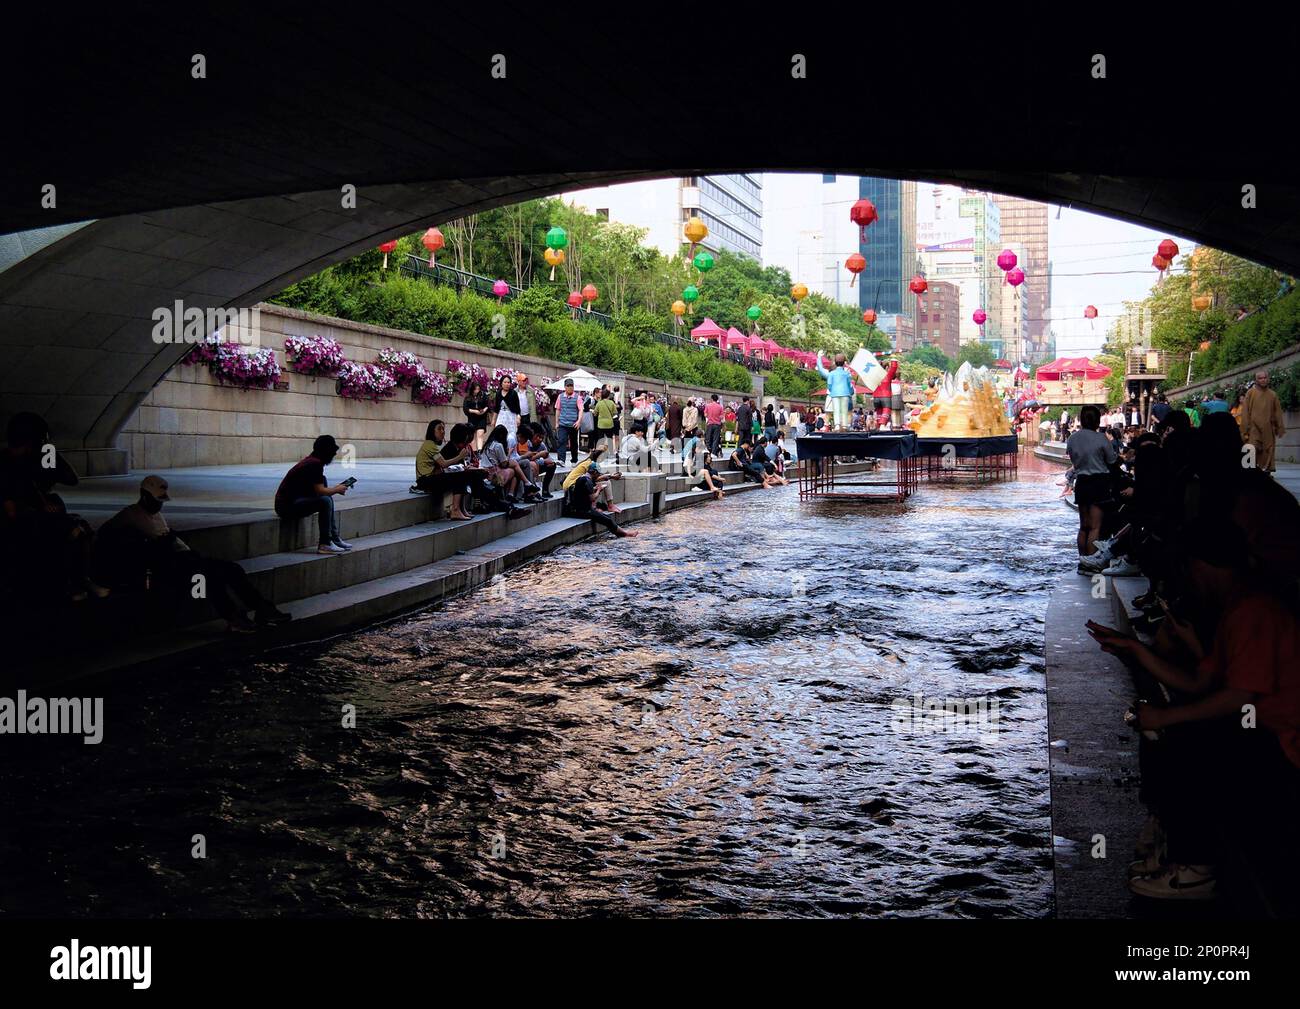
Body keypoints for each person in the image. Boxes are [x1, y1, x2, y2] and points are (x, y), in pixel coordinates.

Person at [97, 476, 292, 633]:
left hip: (181, 558)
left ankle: (262, 609)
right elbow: (107, 536)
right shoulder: (130, 515)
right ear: (144, 496)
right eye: (156, 500)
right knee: (208, 577)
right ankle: (234, 617)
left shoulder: (155, 514)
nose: (159, 505)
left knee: (232, 569)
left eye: (161, 501)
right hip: (165, 566)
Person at [0, 411, 109, 602]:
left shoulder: (34, 459)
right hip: (18, 524)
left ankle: (80, 579)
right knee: (68, 530)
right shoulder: (5, 464)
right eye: (41, 441)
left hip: (36, 518)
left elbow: (70, 479)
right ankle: (70, 582)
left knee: (79, 528)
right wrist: (44, 515)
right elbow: (12, 511)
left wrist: (50, 455)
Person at [274, 435, 353, 554]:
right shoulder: (314, 464)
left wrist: (336, 489)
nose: (334, 455)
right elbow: (321, 491)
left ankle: (334, 538)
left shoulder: (313, 461)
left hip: (294, 501)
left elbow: (320, 489)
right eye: (333, 452)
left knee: (325, 488)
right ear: (326, 451)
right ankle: (325, 544)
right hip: (286, 507)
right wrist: (337, 489)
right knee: (325, 500)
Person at [1066, 405, 1117, 567]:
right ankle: (1091, 560)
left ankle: (1082, 559)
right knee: (1095, 527)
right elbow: (1112, 460)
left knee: (1083, 526)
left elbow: (1073, 459)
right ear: (1096, 420)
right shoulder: (1101, 438)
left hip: (1082, 482)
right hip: (1099, 482)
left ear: (1081, 419)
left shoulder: (1072, 438)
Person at [411, 419, 476, 520]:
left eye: (443, 429)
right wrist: (460, 456)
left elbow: (440, 467)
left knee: (462, 474)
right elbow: (444, 464)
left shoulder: (432, 445)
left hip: (430, 478)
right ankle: (455, 510)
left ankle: (460, 509)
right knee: (460, 476)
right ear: (432, 431)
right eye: (439, 429)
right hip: (425, 481)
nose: (442, 431)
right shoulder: (429, 445)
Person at [563, 459, 638, 539]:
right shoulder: (587, 481)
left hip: (578, 508)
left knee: (607, 518)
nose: (599, 475)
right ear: (594, 472)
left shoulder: (583, 478)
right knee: (607, 520)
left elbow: (584, 494)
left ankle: (622, 533)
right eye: (598, 473)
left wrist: (597, 488)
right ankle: (624, 534)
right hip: (582, 511)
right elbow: (592, 498)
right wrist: (599, 490)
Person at [1238, 370, 1286, 473]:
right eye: (1260, 378)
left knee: (1267, 450)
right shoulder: (1251, 393)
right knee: (1252, 449)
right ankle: (1250, 472)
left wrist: (1279, 427)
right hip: (1253, 428)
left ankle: (1266, 471)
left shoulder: (1272, 395)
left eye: (1265, 377)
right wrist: (1245, 429)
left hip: (1268, 428)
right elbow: (1245, 411)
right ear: (1256, 380)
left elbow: (1277, 412)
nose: (1263, 380)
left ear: (1268, 379)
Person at [816, 351, 856, 431]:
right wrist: (851, 392)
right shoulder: (847, 374)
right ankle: (844, 426)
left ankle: (837, 425)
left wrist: (819, 357)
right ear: (844, 363)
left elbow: (829, 384)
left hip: (834, 394)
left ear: (835, 362)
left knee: (836, 410)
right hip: (845, 394)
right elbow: (849, 385)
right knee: (844, 410)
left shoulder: (831, 373)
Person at [553, 377, 584, 465]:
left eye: (571, 386)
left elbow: (581, 409)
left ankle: (574, 460)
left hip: (573, 424)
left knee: (573, 443)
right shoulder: (560, 397)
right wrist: (556, 423)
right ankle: (561, 460)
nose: (570, 388)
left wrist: (579, 421)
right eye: (568, 386)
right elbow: (558, 409)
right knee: (561, 440)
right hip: (562, 423)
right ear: (565, 387)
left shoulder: (577, 397)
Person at [462, 380, 491, 451]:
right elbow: (466, 408)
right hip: (472, 418)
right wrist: (474, 411)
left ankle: (479, 450)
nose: (477, 391)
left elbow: (487, 405)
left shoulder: (483, 395)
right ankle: (474, 452)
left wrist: (484, 410)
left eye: (478, 389)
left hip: (481, 418)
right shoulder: (468, 397)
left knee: (480, 434)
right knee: (472, 436)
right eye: (475, 389)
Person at [493, 374, 522, 441]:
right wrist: (494, 420)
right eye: (505, 382)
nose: (507, 384)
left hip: (511, 416)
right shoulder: (498, 393)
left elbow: (518, 408)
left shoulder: (513, 393)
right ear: (501, 383)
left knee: (510, 435)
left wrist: (518, 417)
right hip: (501, 416)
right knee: (499, 433)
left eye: (508, 382)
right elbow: (496, 408)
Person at [593, 386, 619, 451]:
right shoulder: (611, 403)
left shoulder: (599, 403)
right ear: (608, 395)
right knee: (609, 438)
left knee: (600, 439)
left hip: (601, 424)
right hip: (609, 424)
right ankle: (610, 452)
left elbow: (595, 413)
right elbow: (615, 413)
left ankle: (600, 453)